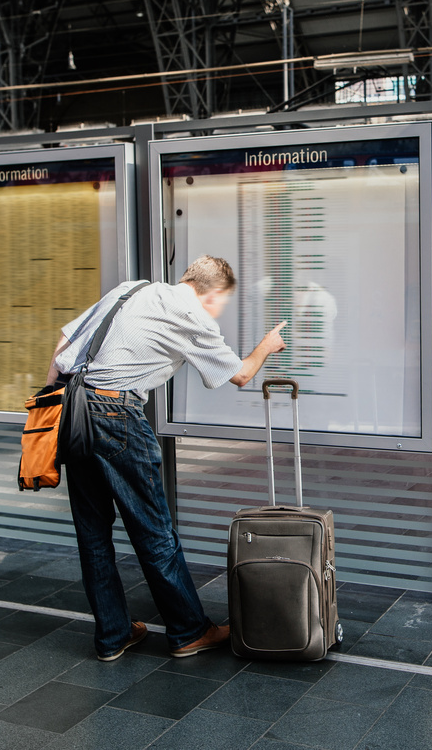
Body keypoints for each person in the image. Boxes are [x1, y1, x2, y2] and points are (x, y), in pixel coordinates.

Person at [46, 255, 287, 662]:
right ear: (211, 293)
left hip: (73, 411)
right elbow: (240, 374)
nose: (218, 312)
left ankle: (112, 636)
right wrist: (268, 344)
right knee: (154, 531)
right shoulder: (191, 314)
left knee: (93, 533)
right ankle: (189, 631)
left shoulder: (130, 289)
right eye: (222, 303)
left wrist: (55, 411)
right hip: (116, 415)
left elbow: (62, 347)